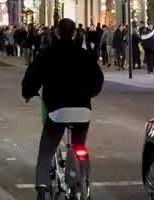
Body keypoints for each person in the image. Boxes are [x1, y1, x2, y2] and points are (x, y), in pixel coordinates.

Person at [22, 18, 104, 200]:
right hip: (82, 110)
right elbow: (98, 79)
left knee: (47, 149)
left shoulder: (48, 54)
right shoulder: (84, 55)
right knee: (79, 144)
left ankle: (42, 186)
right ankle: (82, 178)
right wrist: (88, 94)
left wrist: (28, 92)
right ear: (74, 32)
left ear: (57, 32)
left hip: (57, 110)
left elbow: (32, 76)